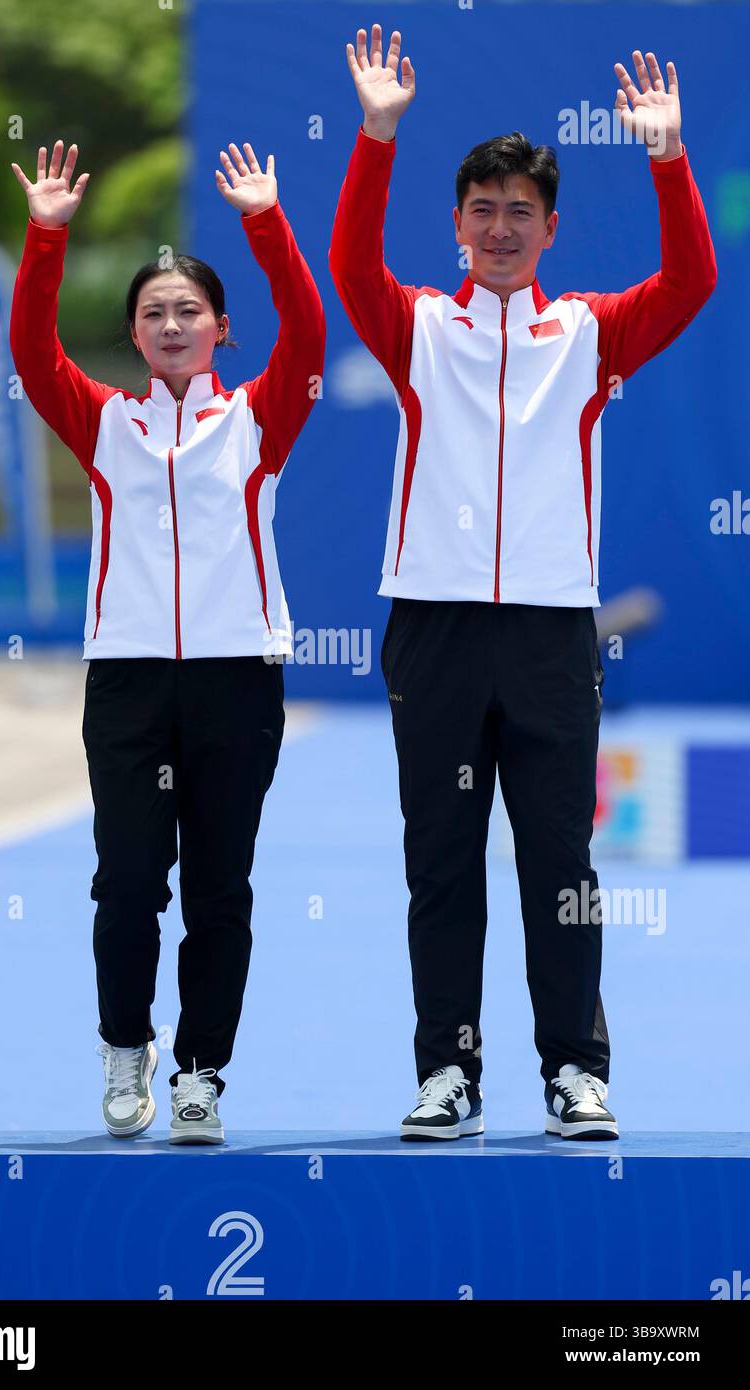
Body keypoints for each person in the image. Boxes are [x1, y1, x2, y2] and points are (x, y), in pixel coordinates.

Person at [329, 28, 715, 1141]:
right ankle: (447, 1074)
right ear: (455, 226)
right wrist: (376, 134)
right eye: (481, 211)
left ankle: (573, 1070)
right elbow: (351, 263)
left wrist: (666, 157)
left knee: (561, 860)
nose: (499, 230)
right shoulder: (415, 327)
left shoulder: (587, 334)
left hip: (550, 630)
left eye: (520, 214)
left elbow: (691, 277)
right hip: (435, 627)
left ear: (549, 230)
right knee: (441, 862)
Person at [10, 138, 325, 1144]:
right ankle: (123, 1047)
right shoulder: (102, 423)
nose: (173, 323)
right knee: (129, 880)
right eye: (154, 312)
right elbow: (30, 352)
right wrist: (46, 238)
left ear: (221, 330)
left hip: (236, 679)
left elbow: (311, 333)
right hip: (131, 683)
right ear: (136, 337)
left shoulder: (259, 421)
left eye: (190, 309)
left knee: (219, 885)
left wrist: (267, 223)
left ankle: (199, 1074)